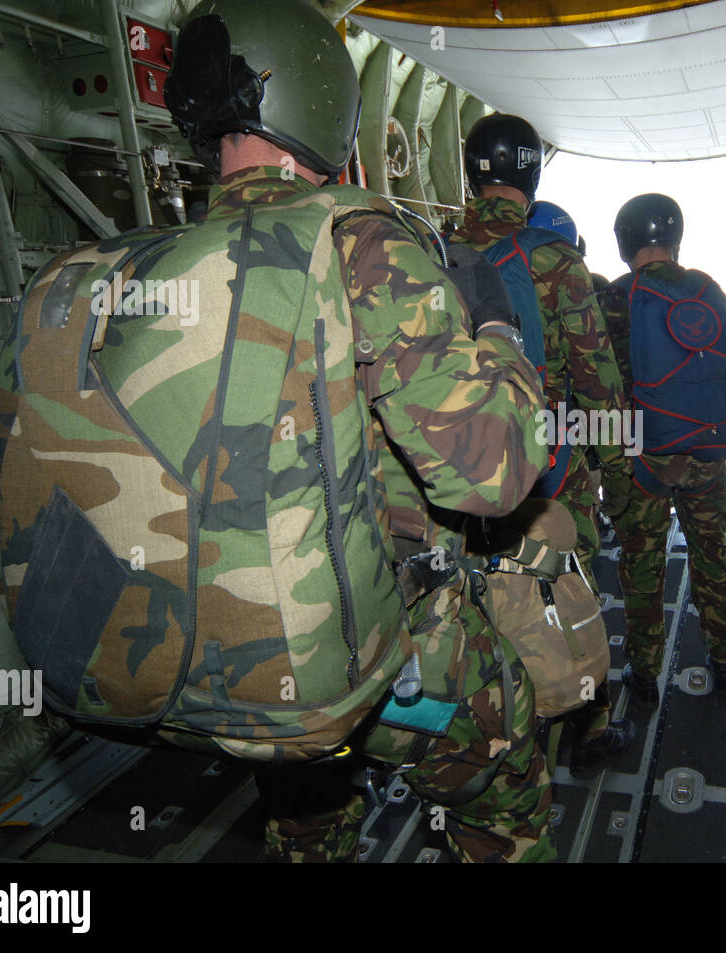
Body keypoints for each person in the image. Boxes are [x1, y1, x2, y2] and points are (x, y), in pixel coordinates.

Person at [156, 0, 555, 861]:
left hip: (236, 658)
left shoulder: (165, 262)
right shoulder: (359, 243)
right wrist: (499, 335)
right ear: (319, 97)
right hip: (391, 652)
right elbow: (492, 471)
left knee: (308, 827)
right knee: (511, 802)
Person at [451, 115, 636, 775]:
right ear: (531, 175)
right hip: (547, 476)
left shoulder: (425, 250)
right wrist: (615, 468)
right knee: (565, 600)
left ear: (472, 171)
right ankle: (587, 721)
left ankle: (486, 738)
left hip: (451, 479)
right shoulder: (553, 259)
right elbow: (598, 380)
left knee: (470, 608)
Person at [600, 193, 726, 701]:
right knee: (711, 553)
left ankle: (644, 671)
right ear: (675, 239)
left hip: (646, 460)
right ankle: (725, 656)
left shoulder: (617, 298)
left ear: (625, 242)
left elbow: (601, 381)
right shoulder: (704, 289)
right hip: (708, 456)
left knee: (643, 564)